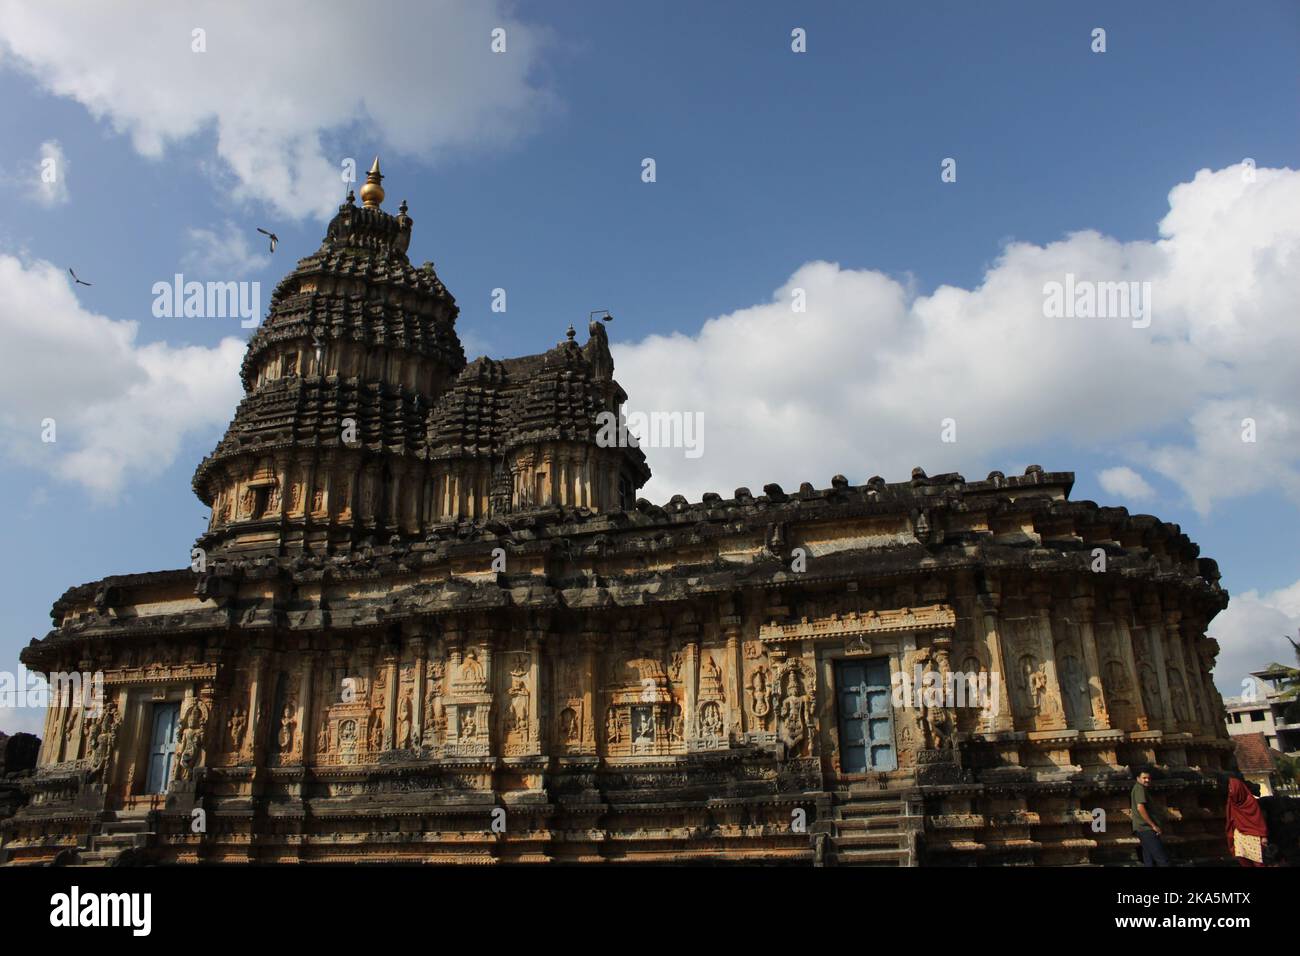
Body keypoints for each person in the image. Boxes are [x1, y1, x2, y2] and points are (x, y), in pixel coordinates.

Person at [1225, 776, 1268, 866]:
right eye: (1229, 788)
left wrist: (1263, 836)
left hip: (1253, 836)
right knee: (1243, 860)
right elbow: (1230, 820)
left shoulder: (1250, 801)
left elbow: (1258, 819)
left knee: (1259, 863)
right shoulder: (1232, 802)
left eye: (1231, 788)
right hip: (1239, 836)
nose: (1230, 791)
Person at [1131, 769, 1170, 866]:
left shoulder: (1141, 788)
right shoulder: (1139, 788)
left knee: (1149, 860)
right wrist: (1153, 825)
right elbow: (1140, 808)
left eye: (1148, 778)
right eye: (1144, 778)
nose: (1147, 780)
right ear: (1138, 778)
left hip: (1143, 829)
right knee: (1162, 859)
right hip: (1146, 828)